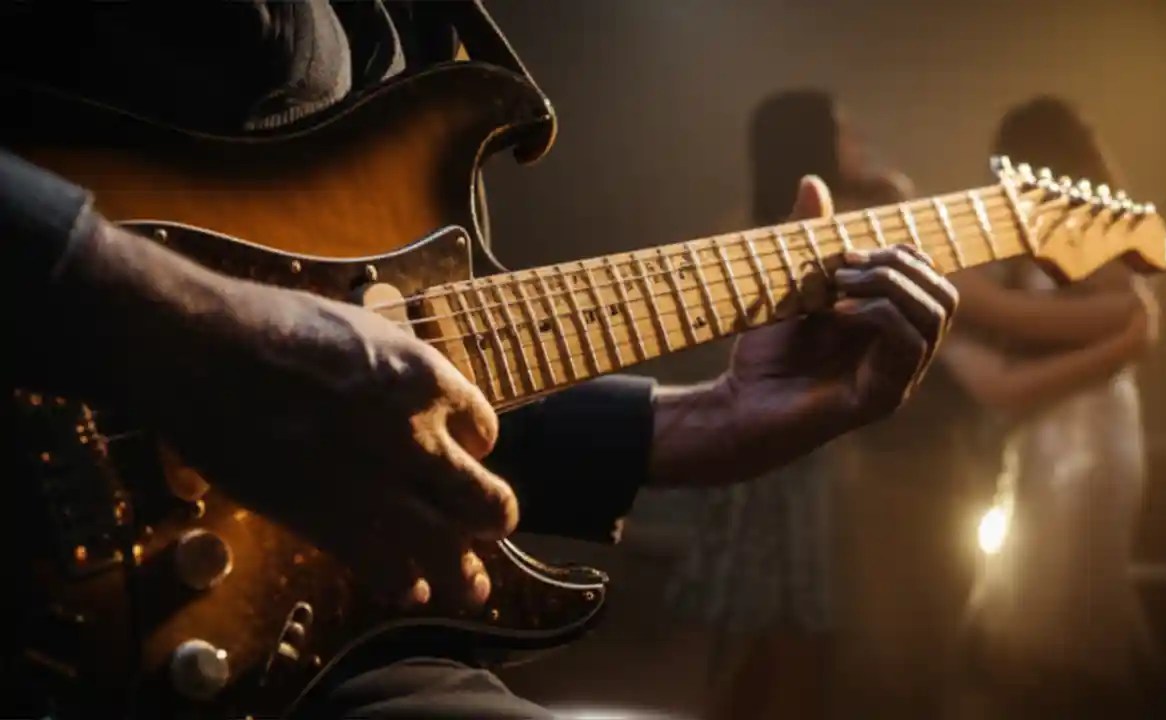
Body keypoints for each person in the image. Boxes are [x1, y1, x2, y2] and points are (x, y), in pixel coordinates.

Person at [1, 4, 958, 718]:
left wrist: (704, 417)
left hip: (298, 639)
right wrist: (187, 337)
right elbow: (293, 367)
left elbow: (383, 368)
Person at [662, 89, 926, 720]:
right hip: (796, 455)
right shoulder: (826, 223)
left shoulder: (741, 226)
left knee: (771, 639)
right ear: (812, 144)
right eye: (843, 131)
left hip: (774, 457)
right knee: (789, 643)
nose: (857, 142)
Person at [954, 95, 1161, 716]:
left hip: (1088, 432)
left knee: (1063, 611)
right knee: (1033, 607)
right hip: (1053, 428)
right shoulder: (1033, 239)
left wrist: (973, 304)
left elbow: (1128, 313)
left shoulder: (1095, 228)